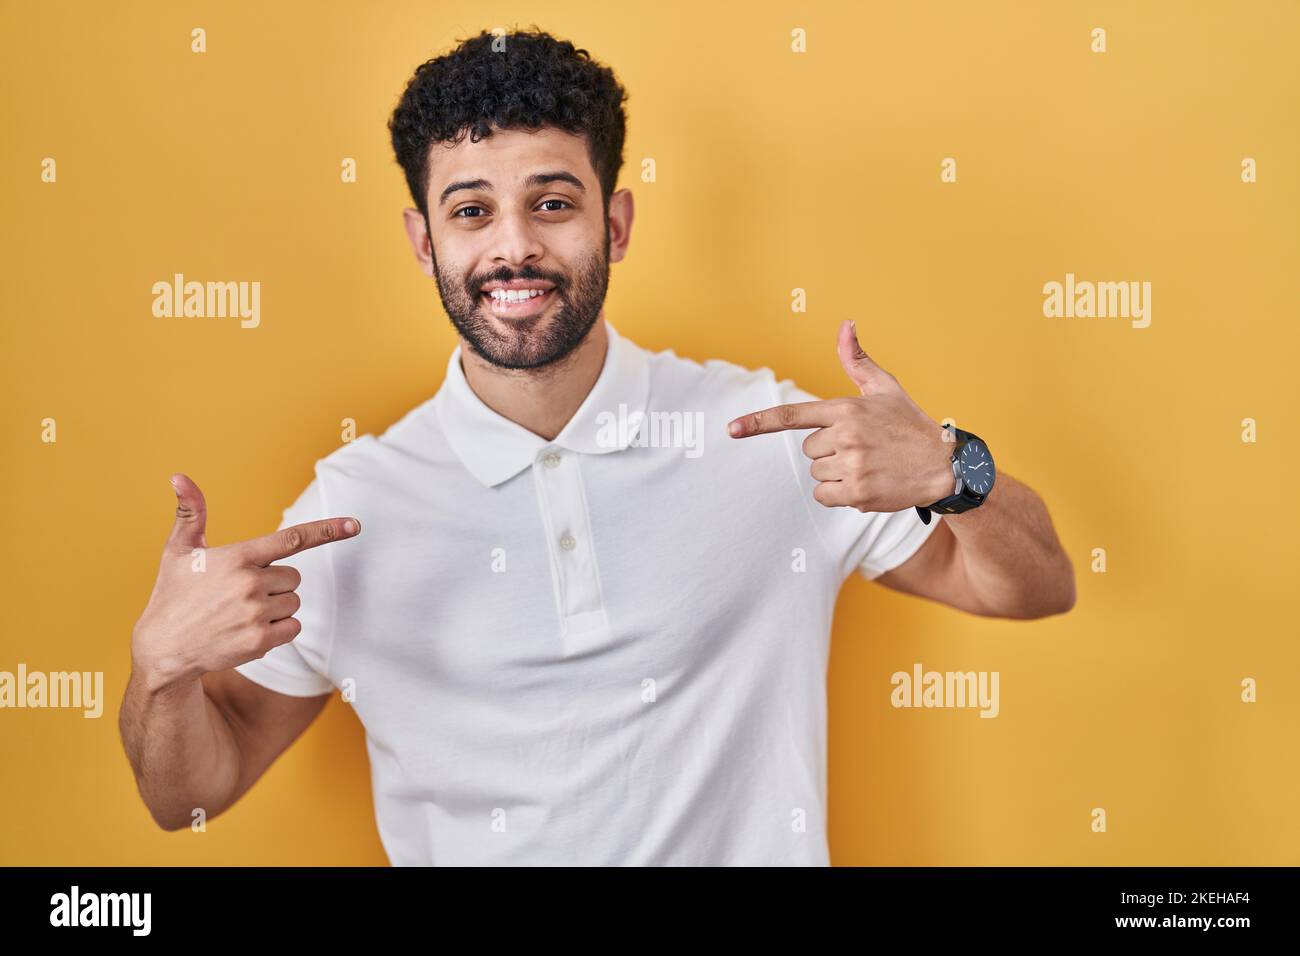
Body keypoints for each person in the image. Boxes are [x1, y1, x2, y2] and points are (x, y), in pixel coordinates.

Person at [119, 27, 1075, 865]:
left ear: (614, 224)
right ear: (424, 242)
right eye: (470, 210)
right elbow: (189, 798)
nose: (512, 248)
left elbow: (1032, 589)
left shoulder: (764, 435)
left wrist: (959, 473)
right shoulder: (351, 507)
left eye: (552, 203)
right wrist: (160, 671)